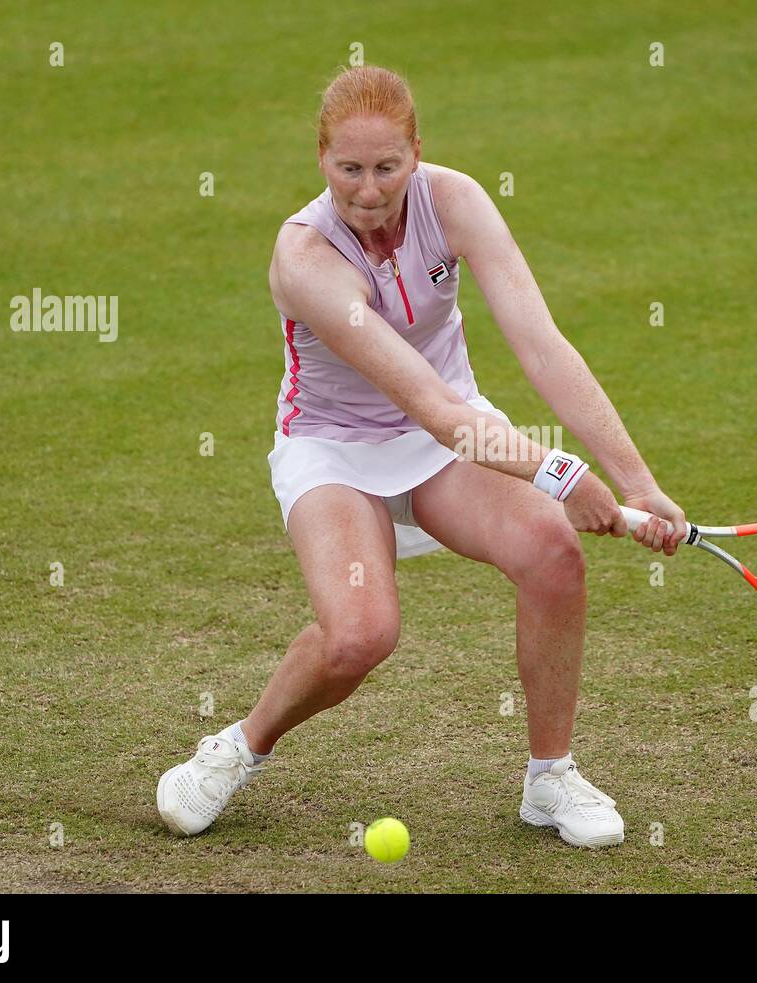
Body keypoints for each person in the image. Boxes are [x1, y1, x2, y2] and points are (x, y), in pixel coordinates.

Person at [157, 65, 687, 849]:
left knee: (552, 551)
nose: (368, 190)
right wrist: (563, 472)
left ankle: (550, 778)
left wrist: (640, 481)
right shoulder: (305, 257)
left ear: (416, 152)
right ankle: (237, 746)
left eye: (386, 167)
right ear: (321, 160)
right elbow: (436, 412)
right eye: (349, 169)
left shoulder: (458, 202)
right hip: (334, 447)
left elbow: (540, 347)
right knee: (359, 637)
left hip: (450, 441)